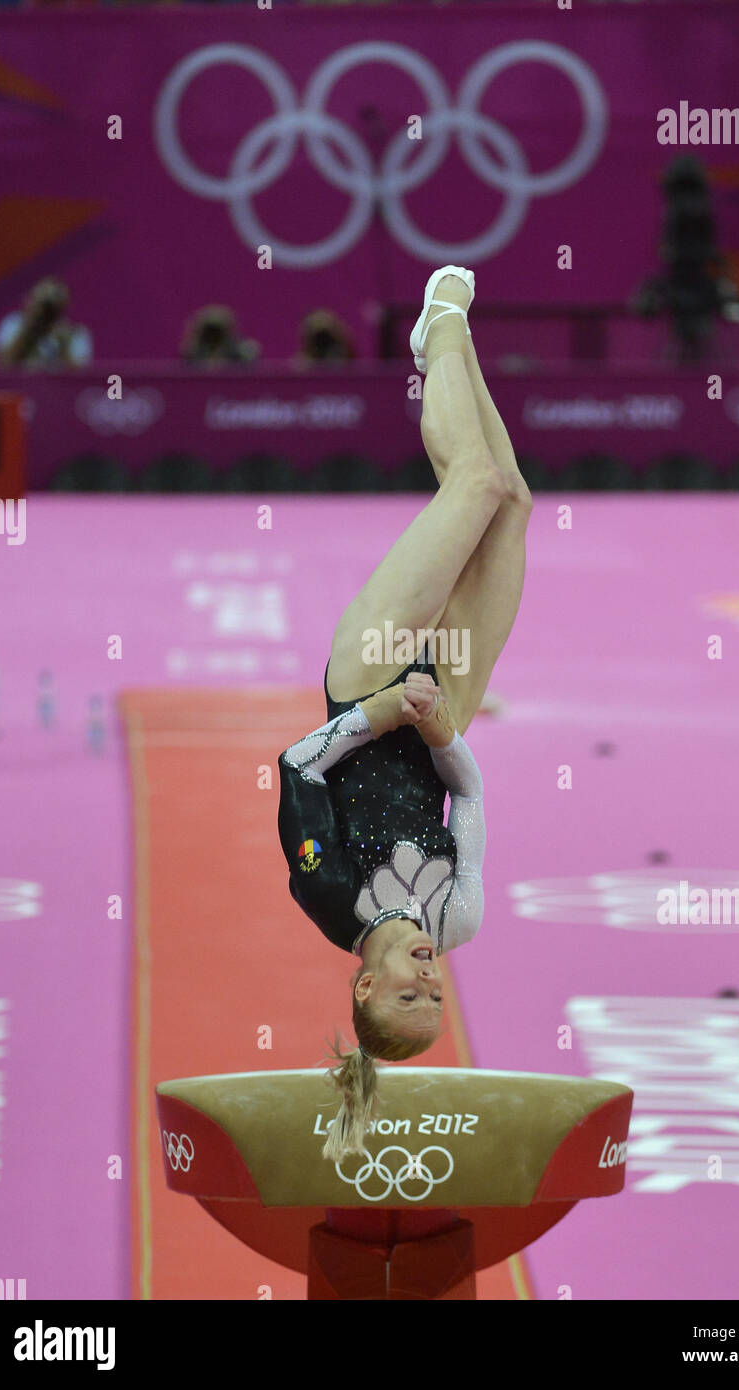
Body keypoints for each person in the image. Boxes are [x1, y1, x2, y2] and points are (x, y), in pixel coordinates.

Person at [277, 265, 532, 1161]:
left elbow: (297, 768)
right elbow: (472, 802)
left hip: (369, 678)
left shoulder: (327, 895)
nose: (429, 983)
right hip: (440, 709)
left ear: (362, 990)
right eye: (433, 999)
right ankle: (446, 337)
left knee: (467, 489)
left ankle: (443, 325)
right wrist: (442, 733)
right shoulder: (455, 921)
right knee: (508, 498)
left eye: (406, 998)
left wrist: (383, 710)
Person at [0, 278, 93, 367]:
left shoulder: (74, 333)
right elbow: (3, 365)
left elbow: (80, 376)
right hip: (19, 386)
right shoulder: (13, 324)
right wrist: (29, 330)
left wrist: (63, 343)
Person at [180, 305, 260, 365]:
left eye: (217, 332)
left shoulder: (237, 352)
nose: (213, 336)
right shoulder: (194, 353)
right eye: (209, 331)